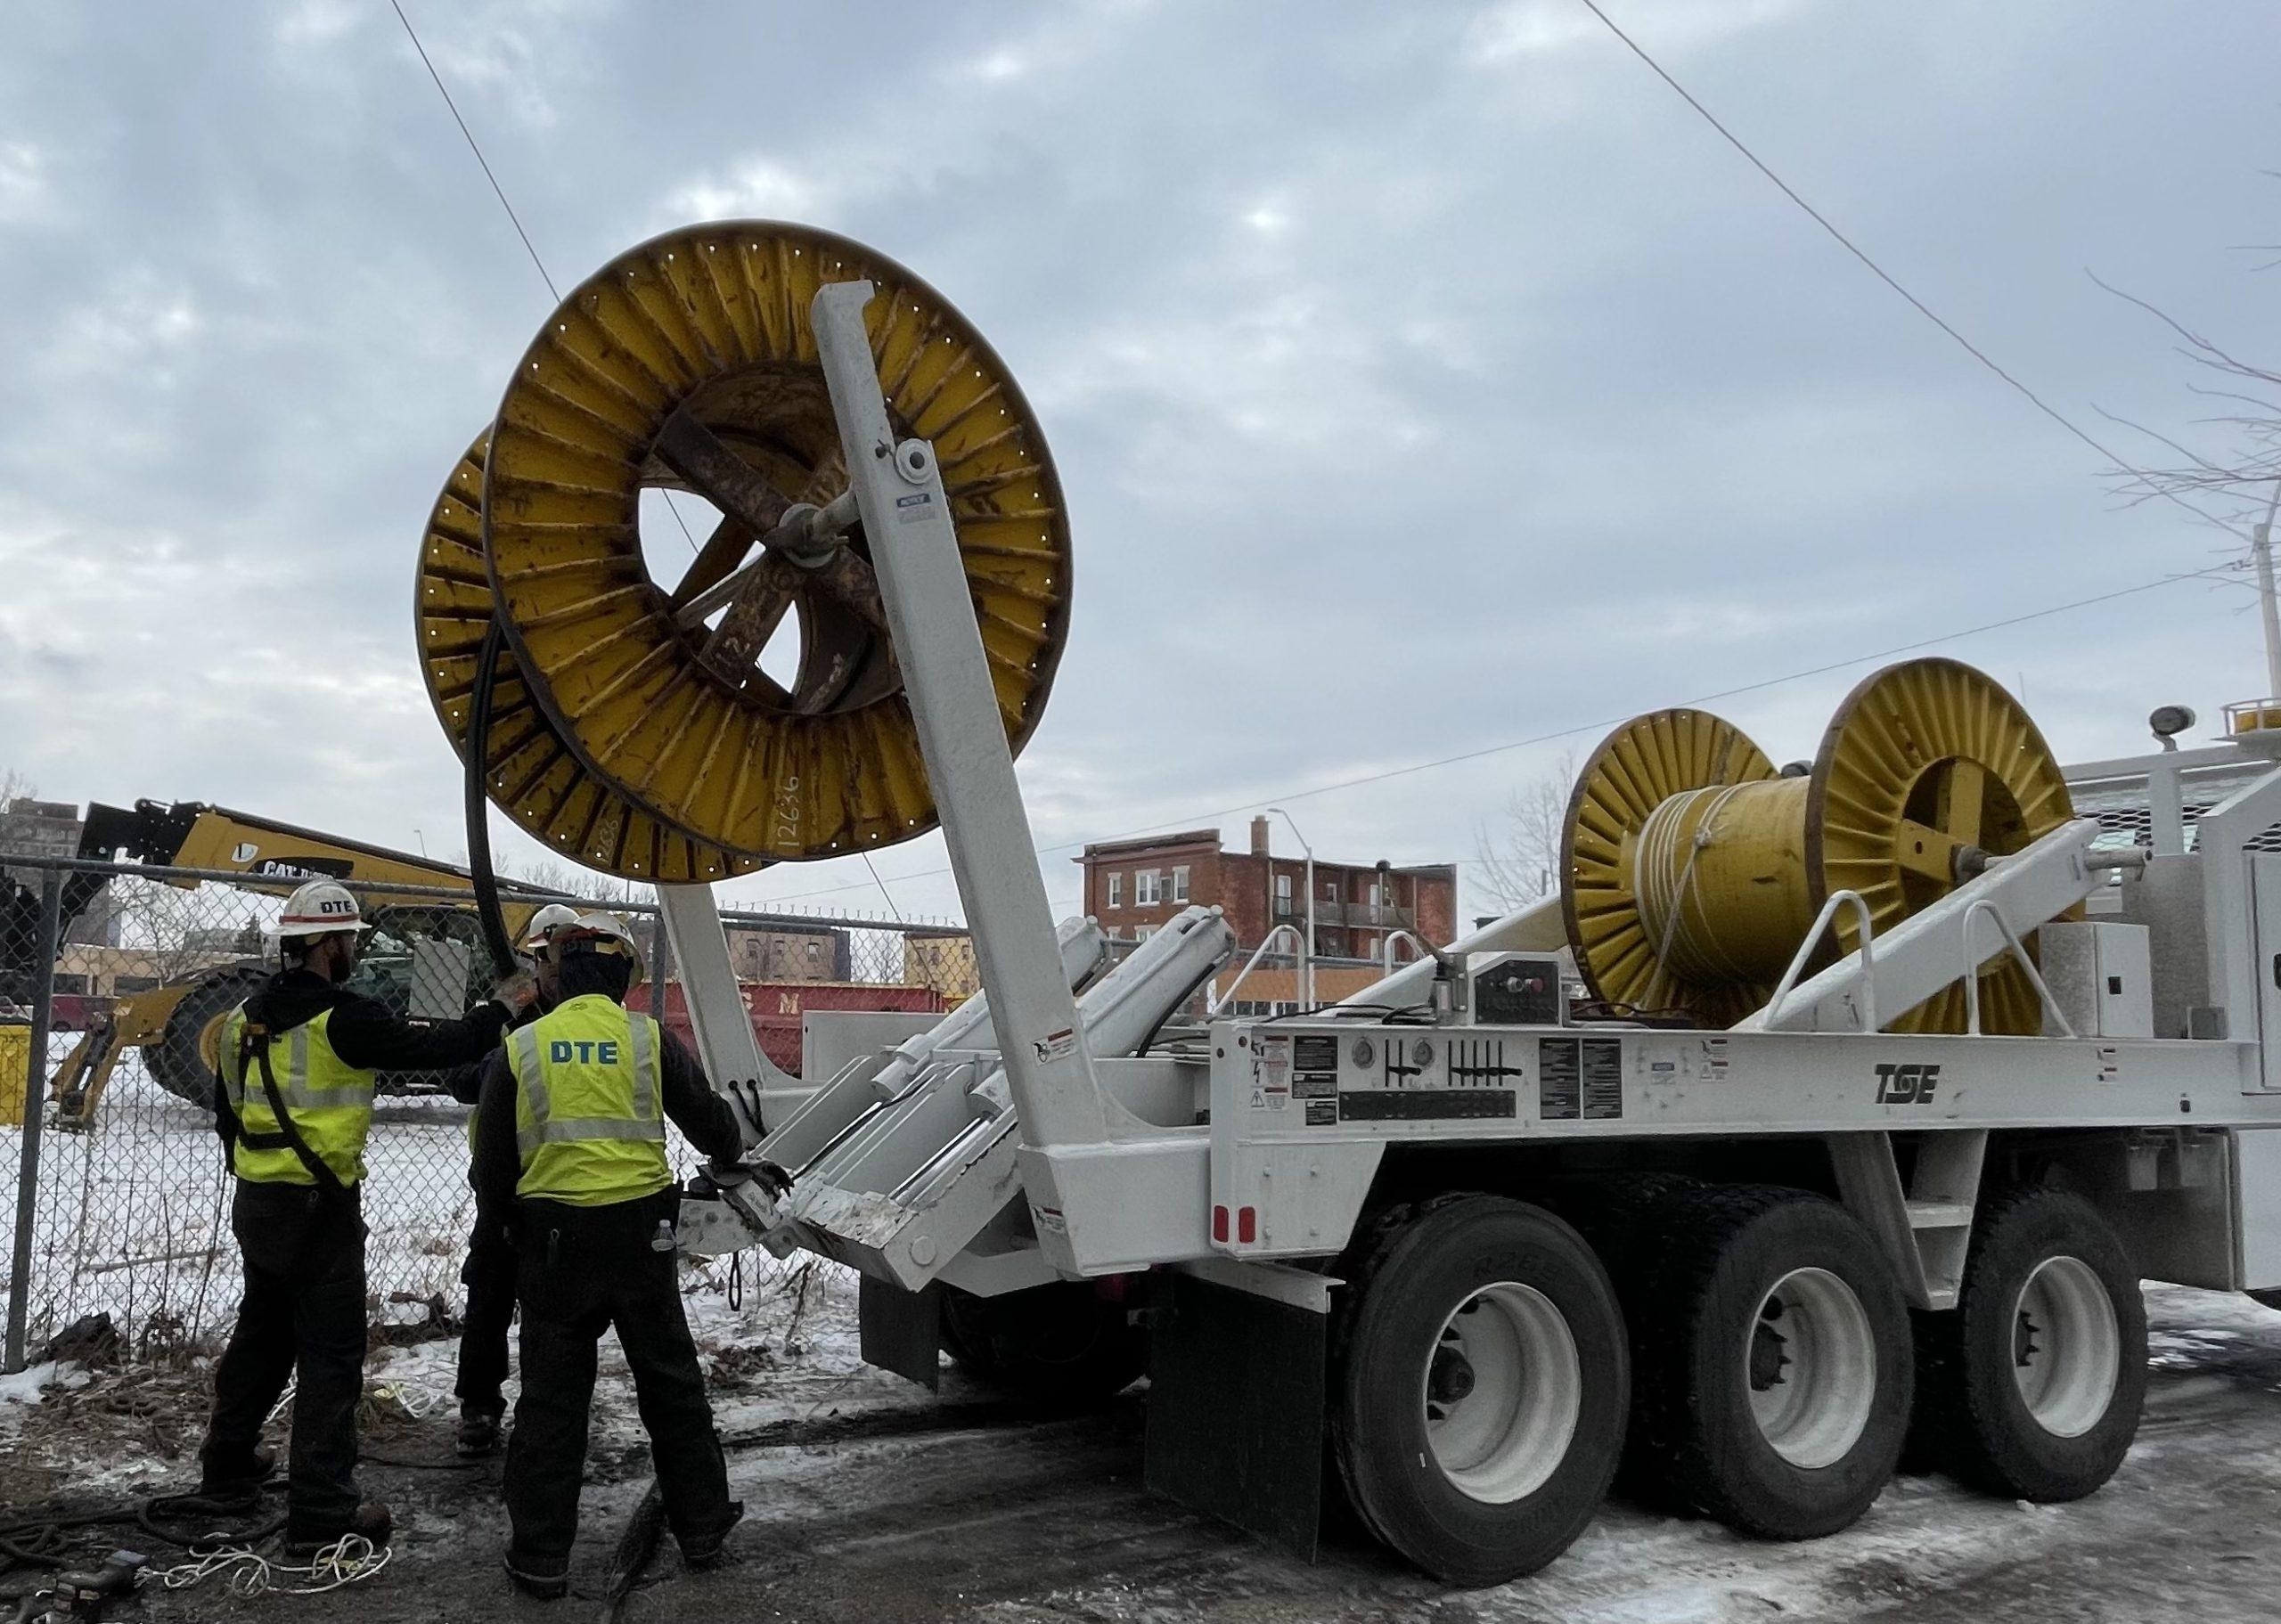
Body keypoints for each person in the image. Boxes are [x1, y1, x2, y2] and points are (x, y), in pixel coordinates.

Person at [197, 878, 537, 1556]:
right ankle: (322, 1509)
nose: (353, 950)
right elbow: (438, 1047)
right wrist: (501, 1006)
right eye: (349, 940)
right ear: (329, 944)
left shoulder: (241, 1018)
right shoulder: (342, 1018)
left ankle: (227, 1467)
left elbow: (228, 1113)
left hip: (258, 1203)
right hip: (318, 1208)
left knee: (262, 1336)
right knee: (331, 1356)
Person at [472, 911, 759, 1599]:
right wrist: (729, 1153)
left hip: (555, 1243)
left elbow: (492, 1169)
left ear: (558, 976)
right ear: (623, 977)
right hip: (640, 1239)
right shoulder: (647, 1038)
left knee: (551, 1402)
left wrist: (513, 1227)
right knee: (672, 1387)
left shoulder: (523, 1047)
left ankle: (541, 1557)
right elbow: (714, 1126)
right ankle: (703, 1528)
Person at [447, 902, 580, 1457]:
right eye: (547, 960)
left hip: (562, 1182)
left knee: (558, 1305)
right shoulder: (505, 1019)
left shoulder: (592, 1018)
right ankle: (479, 1407)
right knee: (490, 1291)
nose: (555, 972)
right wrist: (503, 1059)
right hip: (504, 1181)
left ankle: (551, 1412)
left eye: (564, 959)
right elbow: (459, 1081)